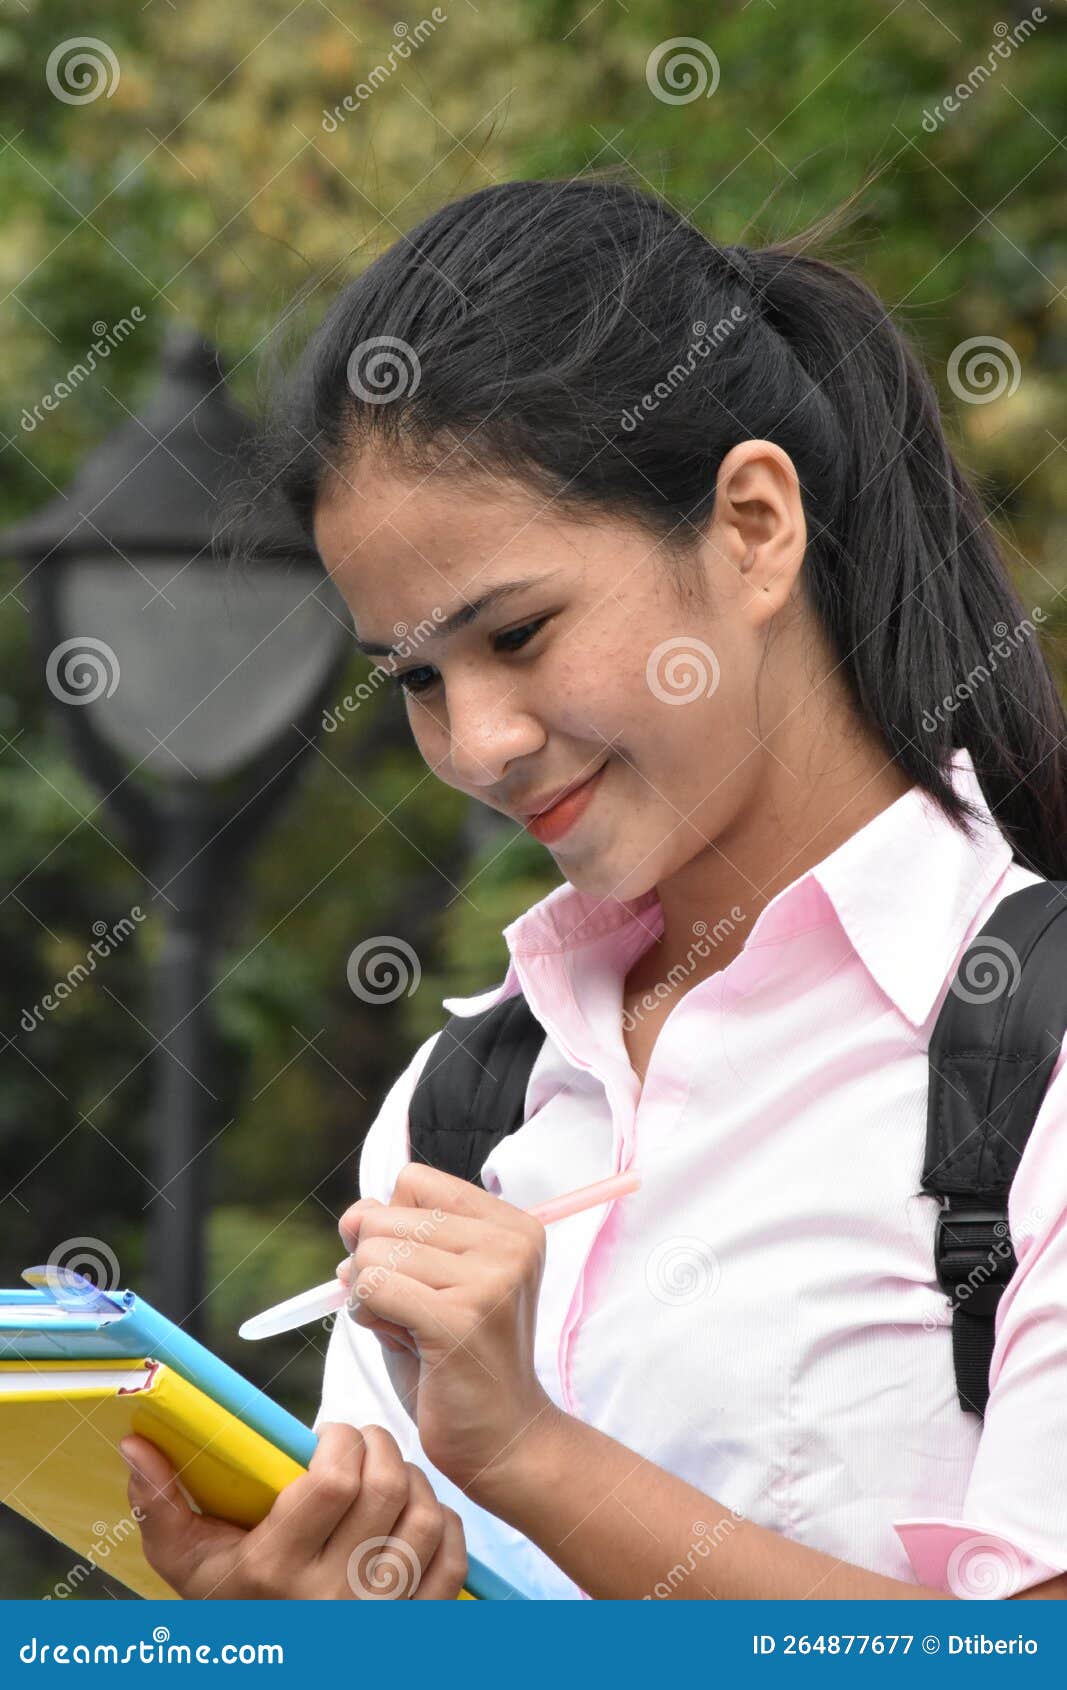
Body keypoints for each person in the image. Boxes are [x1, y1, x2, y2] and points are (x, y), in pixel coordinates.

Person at [134, 173, 1067, 1600]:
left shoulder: (1032, 1055)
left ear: (753, 525)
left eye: (518, 633)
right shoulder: (461, 1107)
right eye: (418, 680)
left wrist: (533, 1455)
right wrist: (310, 1633)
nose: (478, 744)